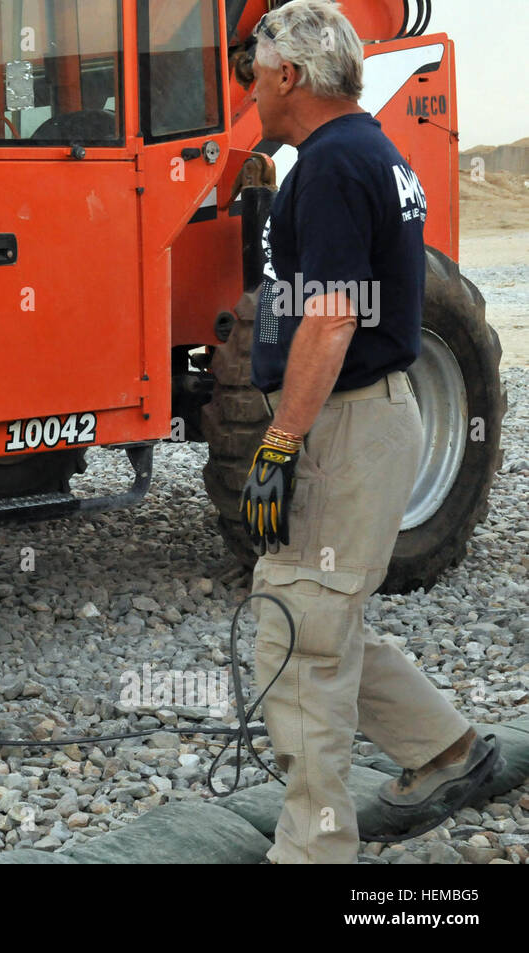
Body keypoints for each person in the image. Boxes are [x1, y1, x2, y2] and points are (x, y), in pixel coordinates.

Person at [237, 0, 501, 864]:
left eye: (253, 68)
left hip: (343, 423)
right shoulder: (362, 151)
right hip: (364, 417)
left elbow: (332, 317)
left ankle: (313, 855)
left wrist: (279, 443)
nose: (248, 84)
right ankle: (448, 750)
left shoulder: (335, 163)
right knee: (329, 612)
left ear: (289, 77)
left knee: (298, 632)